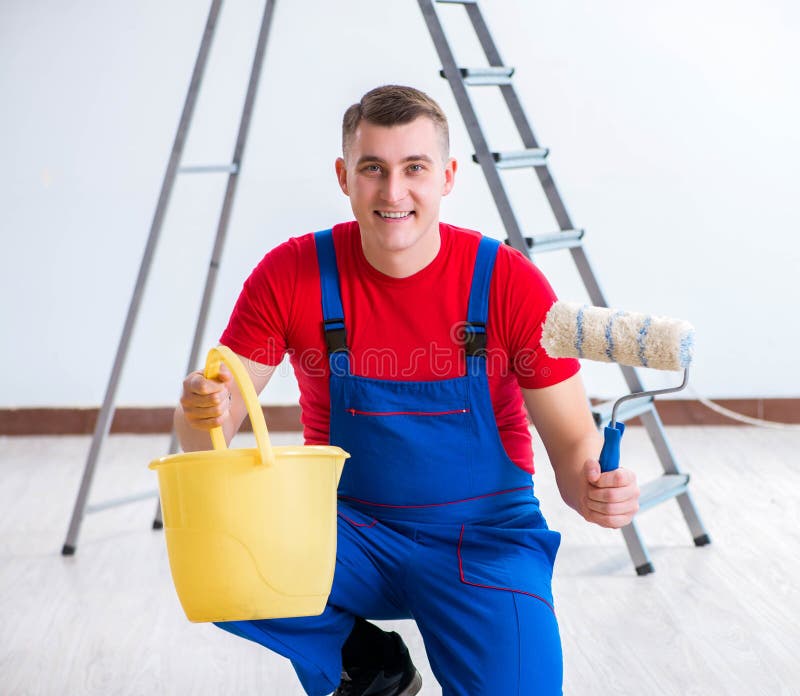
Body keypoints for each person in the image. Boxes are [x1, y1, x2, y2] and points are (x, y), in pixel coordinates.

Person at [175, 85, 639, 696]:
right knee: (218, 550)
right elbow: (202, 437)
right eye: (373, 169)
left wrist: (593, 490)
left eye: (414, 168)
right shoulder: (293, 274)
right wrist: (201, 410)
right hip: (345, 534)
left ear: (447, 176)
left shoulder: (506, 281)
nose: (394, 193)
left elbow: (574, 438)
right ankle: (363, 661)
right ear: (345, 176)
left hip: (486, 541)